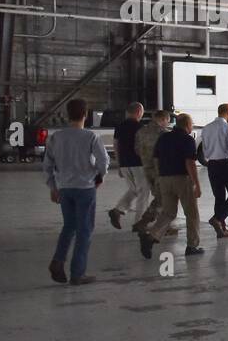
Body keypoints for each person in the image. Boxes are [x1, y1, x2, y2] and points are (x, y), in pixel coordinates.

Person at [44, 98, 110, 285]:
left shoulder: (56, 137)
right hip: (85, 188)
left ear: (67, 114)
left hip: (64, 188)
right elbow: (103, 162)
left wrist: (53, 186)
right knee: (85, 230)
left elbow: (47, 165)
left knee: (69, 226)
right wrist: (99, 177)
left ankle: (58, 260)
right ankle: (77, 273)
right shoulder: (90, 136)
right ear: (85, 114)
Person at [139, 113, 204, 259]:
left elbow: (156, 158)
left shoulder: (164, 137)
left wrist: (159, 176)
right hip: (182, 179)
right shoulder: (187, 139)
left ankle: (151, 237)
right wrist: (197, 184)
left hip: (164, 178)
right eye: (191, 124)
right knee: (192, 213)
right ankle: (192, 245)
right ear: (187, 125)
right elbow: (190, 163)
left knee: (168, 212)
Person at [199, 103, 228, 238]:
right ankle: (217, 218)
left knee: (219, 196)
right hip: (225, 164)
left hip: (211, 165)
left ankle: (221, 230)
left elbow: (204, 150)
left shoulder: (206, 128)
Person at [108, 102, 149, 230]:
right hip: (138, 163)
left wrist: (120, 164)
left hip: (125, 164)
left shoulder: (120, 126)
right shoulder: (140, 127)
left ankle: (118, 210)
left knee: (134, 190)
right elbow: (144, 147)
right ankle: (139, 223)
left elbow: (116, 145)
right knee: (143, 192)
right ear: (138, 112)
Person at [132, 110, 170, 232]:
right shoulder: (163, 134)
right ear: (164, 119)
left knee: (159, 196)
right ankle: (152, 223)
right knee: (164, 198)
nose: (167, 124)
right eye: (167, 121)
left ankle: (149, 222)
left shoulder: (141, 131)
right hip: (160, 169)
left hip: (146, 168)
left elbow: (137, 149)